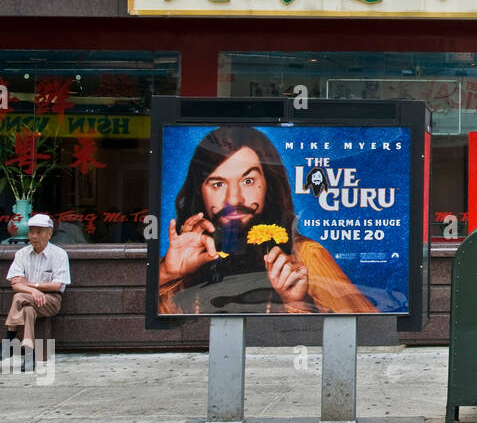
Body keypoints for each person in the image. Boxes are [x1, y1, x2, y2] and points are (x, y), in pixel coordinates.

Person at [158, 126, 377, 315]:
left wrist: (296, 302)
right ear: (199, 192)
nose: (234, 199)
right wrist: (168, 273)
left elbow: (366, 332)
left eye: (248, 180)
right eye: (218, 184)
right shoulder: (182, 262)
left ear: (269, 184)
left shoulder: (306, 256)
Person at [3, 214, 70, 370]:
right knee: (27, 309)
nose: (33, 236)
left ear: (49, 233)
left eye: (39, 232)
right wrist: (33, 292)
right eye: (31, 232)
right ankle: (29, 357)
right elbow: (15, 284)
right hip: (29, 299)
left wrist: (32, 286)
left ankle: (7, 343)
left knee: (19, 296)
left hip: (51, 301)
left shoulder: (59, 254)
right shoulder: (21, 254)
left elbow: (57, 285)